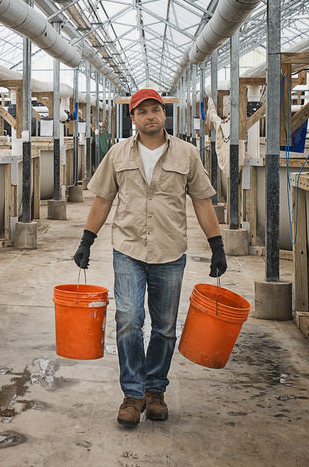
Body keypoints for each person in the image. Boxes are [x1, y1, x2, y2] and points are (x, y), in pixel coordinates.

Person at [73, 88, 225, 427]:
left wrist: (217, 246)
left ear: (164, 114)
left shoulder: (187, 154)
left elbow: (202, 201)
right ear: (133, 118)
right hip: (128, 249)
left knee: (165, 327)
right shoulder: (117, 154)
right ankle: (132, 393)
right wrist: (87, 240)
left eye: (155, 109)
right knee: (128, 320)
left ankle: (155, 390)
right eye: (142, 112)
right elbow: (102, 200)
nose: (150, 116)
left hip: (170, 251)